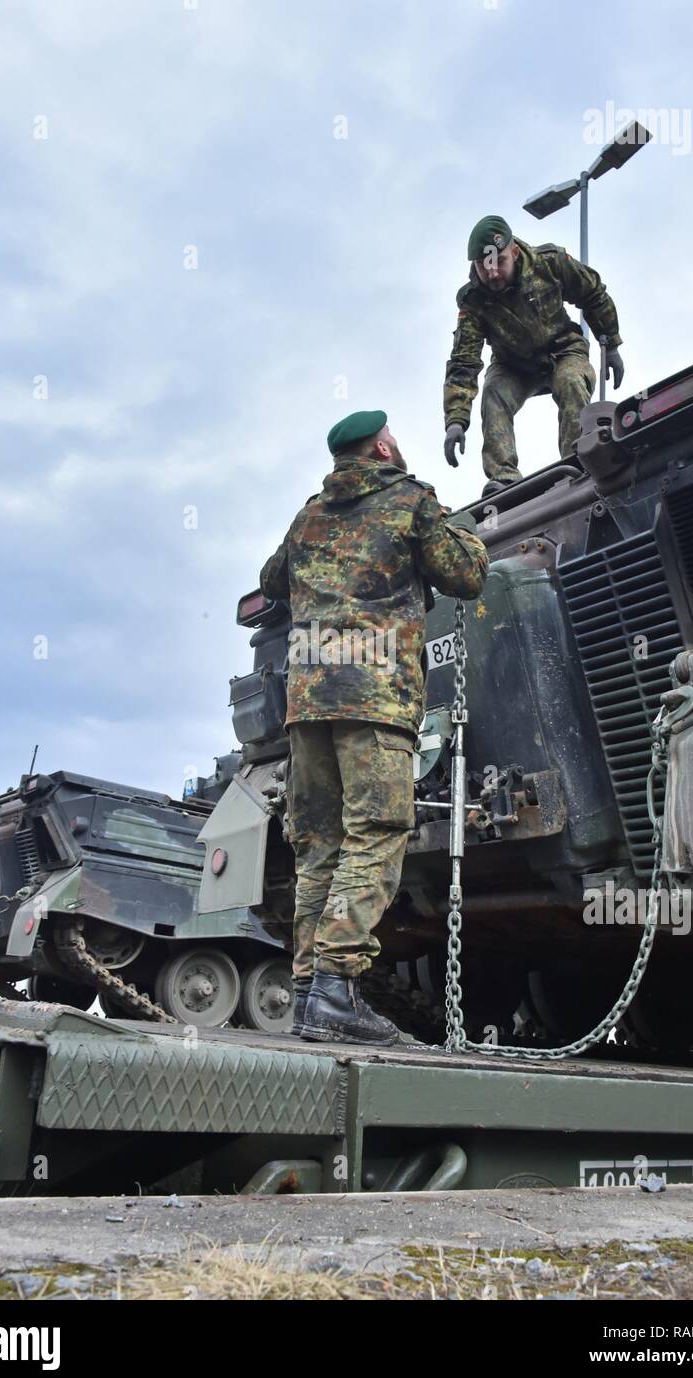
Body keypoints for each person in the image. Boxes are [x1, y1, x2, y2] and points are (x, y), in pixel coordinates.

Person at [260, 409, 488, 1045]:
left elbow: (270, 581)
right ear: (384, 446)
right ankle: (336, 987)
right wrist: (468, 538)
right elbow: (466, 575)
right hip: (374, 699)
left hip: (308, 703)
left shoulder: (308, 515)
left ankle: (308, 993)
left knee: (318, 845)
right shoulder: (409, 501)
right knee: (376, 832)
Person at [443, 215, 624, 495]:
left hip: (563, 350)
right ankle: (504, 479)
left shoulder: (550, 263)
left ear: (514, 251)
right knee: (494, 393)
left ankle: (577, 462)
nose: (491, 274)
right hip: (513, 365)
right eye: (483, 266)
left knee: (571, 381)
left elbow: (593, 293)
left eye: (498, 262)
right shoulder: (473, 300)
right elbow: (464, 362)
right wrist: (456, 420)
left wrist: (610, 343)